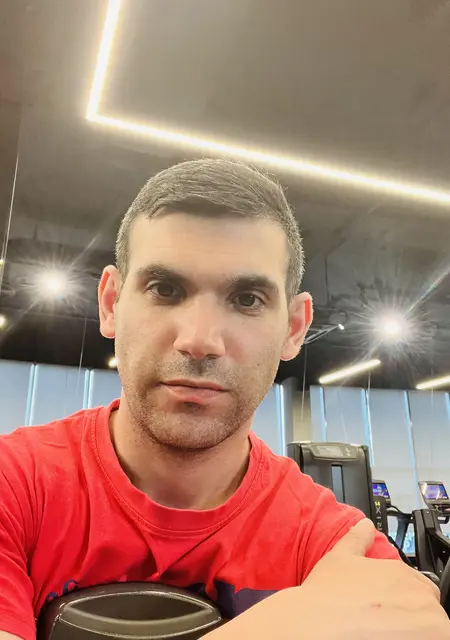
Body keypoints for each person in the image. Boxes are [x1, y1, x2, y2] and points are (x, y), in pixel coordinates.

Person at [0, 159, 448, 640]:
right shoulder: (15, 486)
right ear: (111, 303)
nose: (200, 340)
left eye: (247, 299)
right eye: (165, 289)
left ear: (294, 327)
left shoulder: (337, 548)